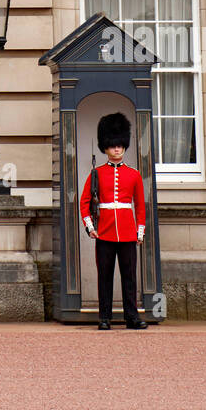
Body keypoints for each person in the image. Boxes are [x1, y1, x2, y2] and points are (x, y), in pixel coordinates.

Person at [79, 111, 148, 331]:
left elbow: (139, 205)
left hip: (127, 232)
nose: (117, 149)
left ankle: (132, 316)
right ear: (106, 147)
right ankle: (104, 317)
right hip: (105, 232)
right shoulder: (96, 174)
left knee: (129, 277)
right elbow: (84, 202)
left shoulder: (134, 174)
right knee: (105, 277)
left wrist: (140, 230)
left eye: (119, 145)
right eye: (112, 145)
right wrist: (90, 227)